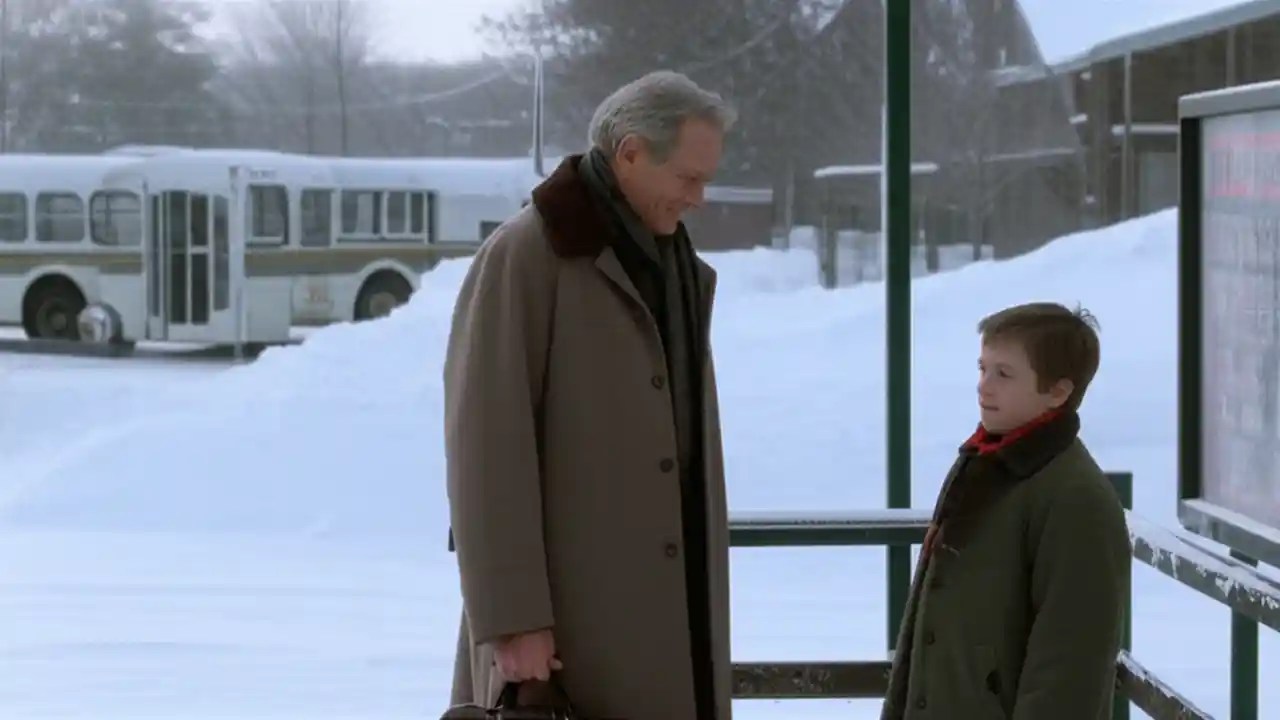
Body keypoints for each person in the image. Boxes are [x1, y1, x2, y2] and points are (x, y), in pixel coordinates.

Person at [443, 70, 737, 720]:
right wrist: (514, 621)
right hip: (567, 637)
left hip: (666, 619)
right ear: (630, 153)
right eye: (689, 178)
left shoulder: (671, 265)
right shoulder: (528, 256)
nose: (699, 198)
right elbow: (486, 450)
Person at [881, 302, 1131, 720]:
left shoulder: (1076, 499)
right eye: (983, 369)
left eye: (1004, 374)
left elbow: (1069, 669)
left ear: (1058, 391)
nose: (983, 386)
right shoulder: (982, 463)